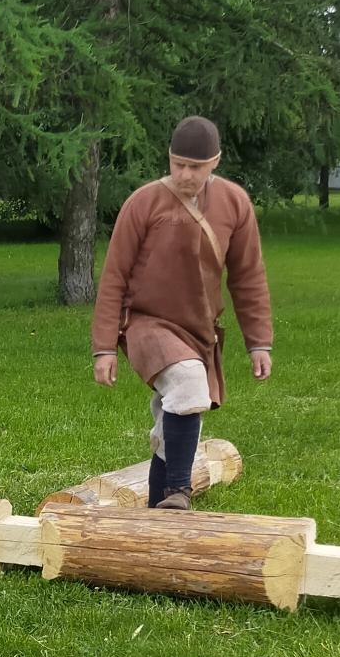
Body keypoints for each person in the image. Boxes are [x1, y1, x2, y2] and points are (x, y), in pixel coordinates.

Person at [90, 116, 273, 509]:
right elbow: (114, 276)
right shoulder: (143, 202)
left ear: (215, 162)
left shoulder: (234, 203)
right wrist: (104, 347)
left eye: (195, 166)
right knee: (190, 386)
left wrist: (259, 342)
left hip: (198, 331)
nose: (185, 174)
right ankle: (177, 492)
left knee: (172, 423)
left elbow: (248, 277)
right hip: (146, 323)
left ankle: (160, 519)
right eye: (178, 164)